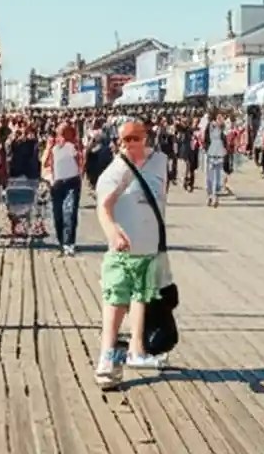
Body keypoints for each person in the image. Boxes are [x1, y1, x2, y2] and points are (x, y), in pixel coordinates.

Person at [94, 119, 171, 388]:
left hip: (149, 247)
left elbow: (160, 198)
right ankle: (107, 357)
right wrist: (113, 232)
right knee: (116, 299)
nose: (130, 145)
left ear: (146, 137)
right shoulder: (117, 170)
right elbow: (103, 207)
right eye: (125, 140)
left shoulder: (160, 161)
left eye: (135, 139)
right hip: (122, 250)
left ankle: (136, 351)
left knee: (142, 295)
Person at [45, 123, 84, 256]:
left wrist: (81, 173)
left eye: (66, 133)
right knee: (58, 214)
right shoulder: (54, 147)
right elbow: (45, 162)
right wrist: (49, 148)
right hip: (57, 183)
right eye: (61, 133)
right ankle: (61, 241)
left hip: (72, 182)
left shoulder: (73, 146)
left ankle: (69, 242)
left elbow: (81, 160)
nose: (63, 136)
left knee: (70, 212)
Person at [203, 112, 230, 207]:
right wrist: (206, 149)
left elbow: (225, 139)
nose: (221, 119)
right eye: (219, 118)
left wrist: (226, 149)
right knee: (210, 176)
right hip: (211, 153)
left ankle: (215, 195)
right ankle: (210, 194)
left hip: (220, 153)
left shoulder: (223, 128)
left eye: (222, 118)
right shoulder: (210, 126)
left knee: (218, 176)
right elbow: (205, 139)